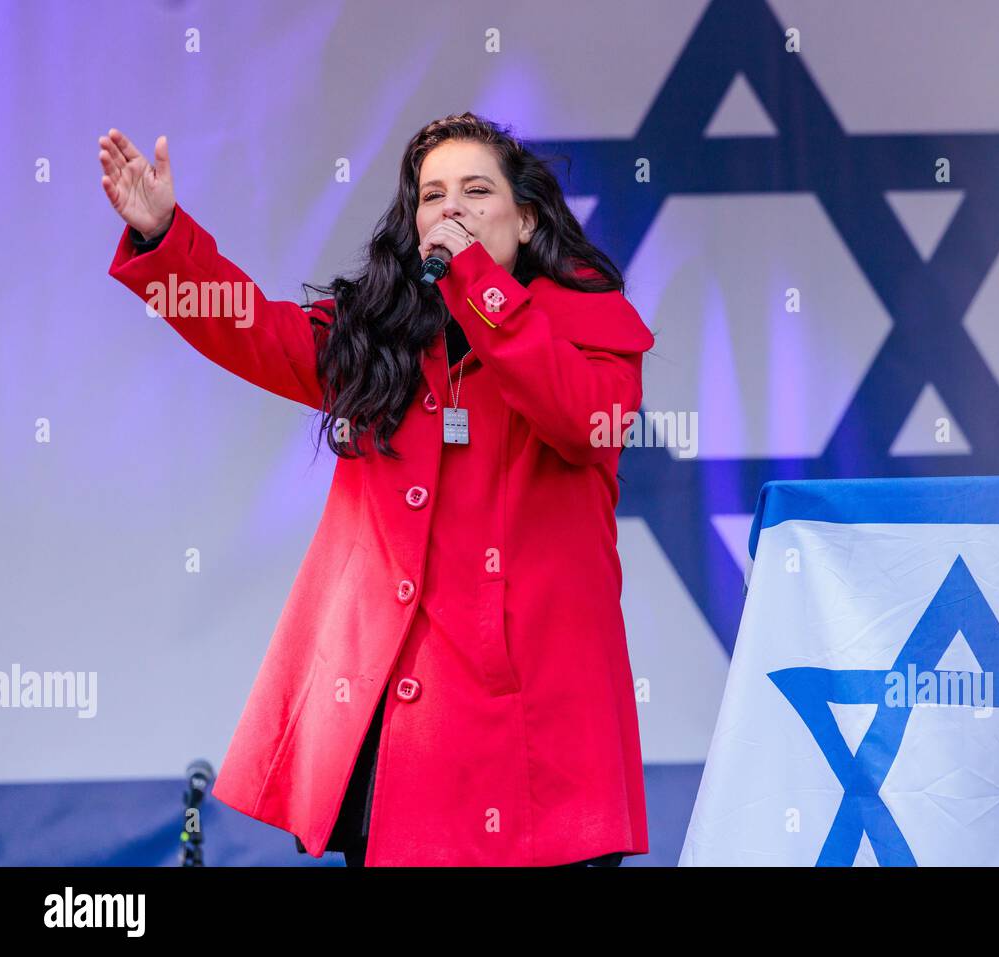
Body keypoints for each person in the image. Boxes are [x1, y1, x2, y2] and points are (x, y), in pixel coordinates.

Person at [100, 113, 652, 867]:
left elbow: (587, 421)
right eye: (432, 195)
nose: (450, 209)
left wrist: (480, 290)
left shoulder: (590, 321)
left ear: (525, 218)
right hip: (407, 726)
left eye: (475, 190)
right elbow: (258, 331)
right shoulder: (383, 331)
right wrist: (167, 241)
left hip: (537, 735)